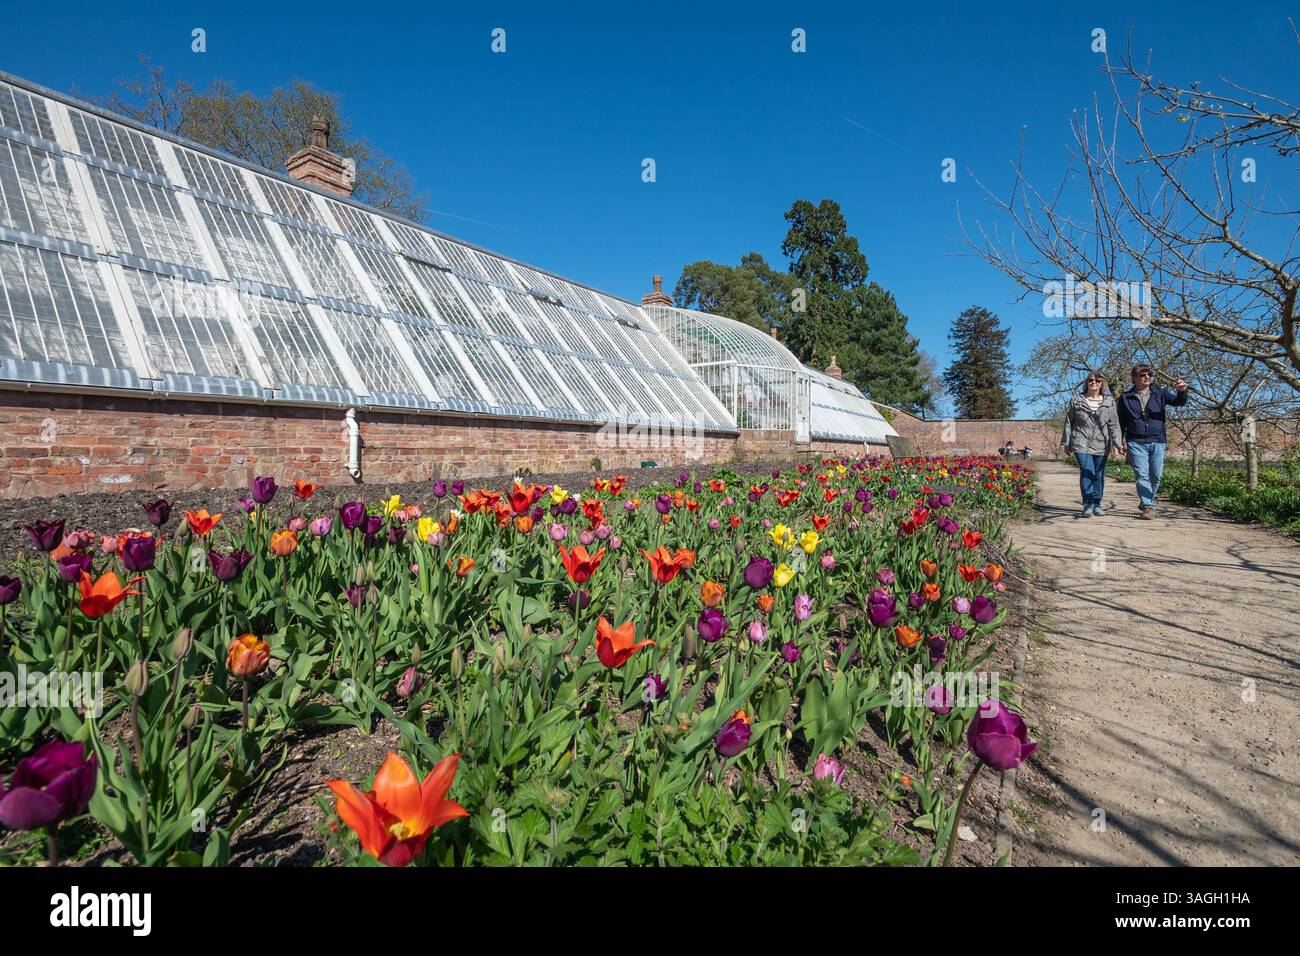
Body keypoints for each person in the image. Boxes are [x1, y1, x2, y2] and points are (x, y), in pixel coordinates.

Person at [1116, 364, 1189, 519]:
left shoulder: (1160, 393)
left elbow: (1178, 402)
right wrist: (1119, 442)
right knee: (1142, 475)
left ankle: (1147, 500)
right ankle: (1148, 506)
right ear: (1134, 378)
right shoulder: (1125, 397)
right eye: (1143, 375)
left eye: (1149, 374)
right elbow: (1121, 422)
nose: (1147, 377)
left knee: (1156, 476)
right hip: (1135, 441)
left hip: (1157, 440)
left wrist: (1182, 392)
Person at [1059, 370, 1123, 517]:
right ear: (1086, 383)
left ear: (1102, 384)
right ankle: (1087, 504)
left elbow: (1114, 424)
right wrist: (1066, 442)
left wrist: (1117, 443)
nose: (1094, 383)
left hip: (1102, 442)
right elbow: (1069, 422)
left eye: (1097, 381)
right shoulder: (1076, 400)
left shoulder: (1109, 401)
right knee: (1087, 470)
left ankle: (1097, 503)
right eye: (1090, 380)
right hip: (1081, 440)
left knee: (1099, 474)